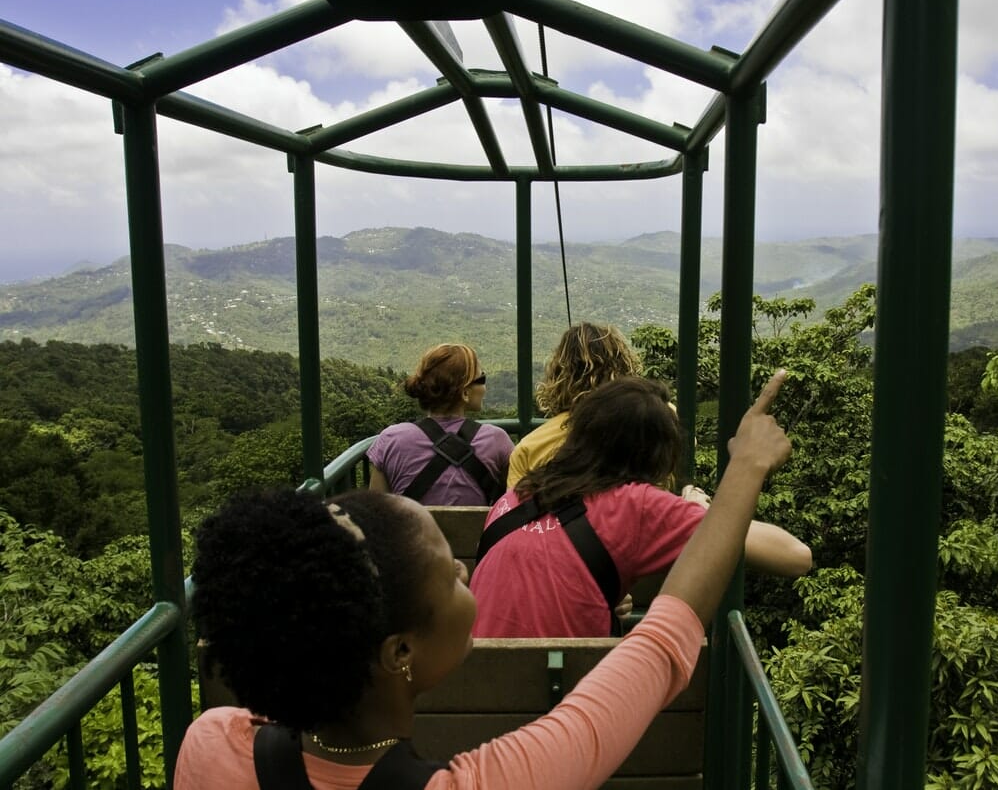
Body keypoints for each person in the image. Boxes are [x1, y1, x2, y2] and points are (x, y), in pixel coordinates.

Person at [174, 370, 794, 790]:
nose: (468, 569)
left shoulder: (211, 743)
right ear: (400, 650)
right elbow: (664, 638)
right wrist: (747, 466)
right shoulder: (497, 780)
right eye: (449, 572)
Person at [470, 375, 812, 638]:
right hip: (558, 713)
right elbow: (795, 555)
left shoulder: (516, 497)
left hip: (471, 704)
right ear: (656, 457)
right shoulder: (636, 506)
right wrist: (700, 509)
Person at [368, 343, 512, 506]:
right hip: (477, 532)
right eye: (482, 379)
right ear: (465, 392)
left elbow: (376, 515)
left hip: (413, 531)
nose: (485, 387)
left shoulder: (390, 440)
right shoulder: (497, 440)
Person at [507, 322, 639, 487]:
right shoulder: (653, 426)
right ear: (624, 367)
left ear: (558, 374)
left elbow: (514, 509)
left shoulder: (529, 448)